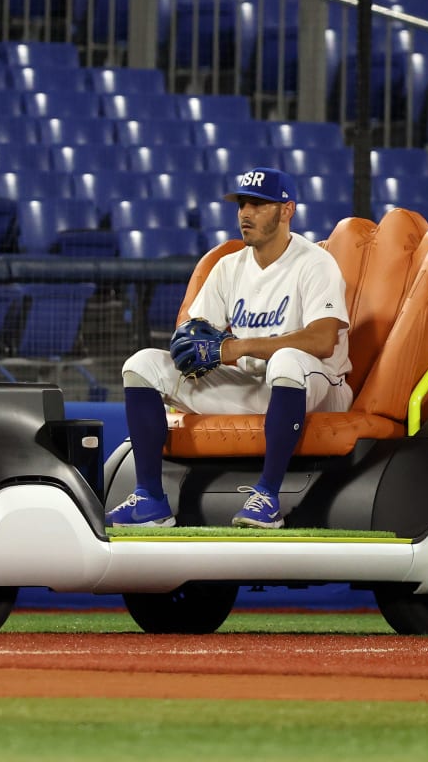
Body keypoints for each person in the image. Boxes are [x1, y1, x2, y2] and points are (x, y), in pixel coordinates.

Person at [106, 166, 352, 529]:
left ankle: (267, 496)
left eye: (259, 204)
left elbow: (323, 339)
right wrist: (190, 345)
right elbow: (197, 333)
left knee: (286, 361)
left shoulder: (315, 263)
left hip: (318, 388)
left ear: (287, 211)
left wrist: (237, 347)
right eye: (241, 204)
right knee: (143, 364)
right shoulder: (228, 267)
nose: (245, 213)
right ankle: (150, 500)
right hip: (255, 387)